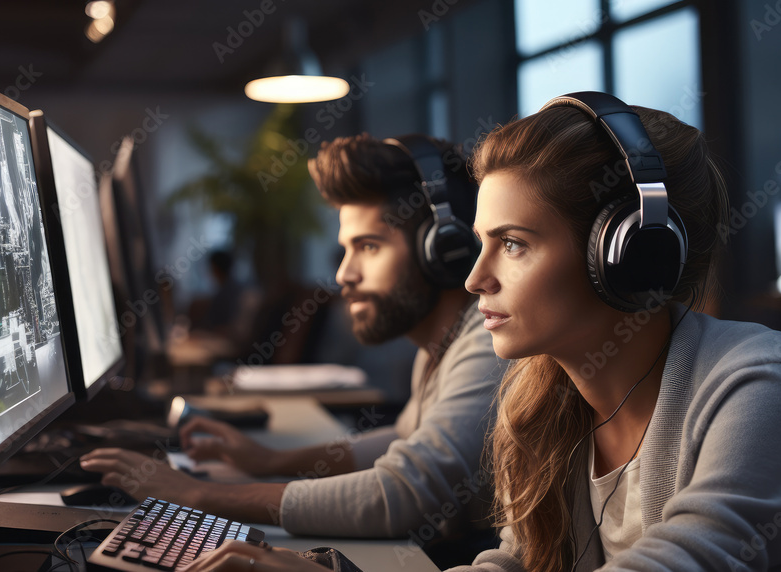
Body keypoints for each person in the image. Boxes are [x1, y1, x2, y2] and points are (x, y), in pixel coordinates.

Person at [188, 94, 781, 571]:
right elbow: (512, 563)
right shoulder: (540, 399)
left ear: (627, 257)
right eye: (479, 244)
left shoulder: (757, 385)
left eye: (512, 244)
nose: (475, 278)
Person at [81, 133, 504, 563]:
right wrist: (268, 459)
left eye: (369, 247)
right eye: (346, 250)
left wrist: (200, 494)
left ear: (444, 249)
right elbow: (403, 436)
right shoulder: (439, 346)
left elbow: (403, 492)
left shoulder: (490, 347)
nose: (344, 274)